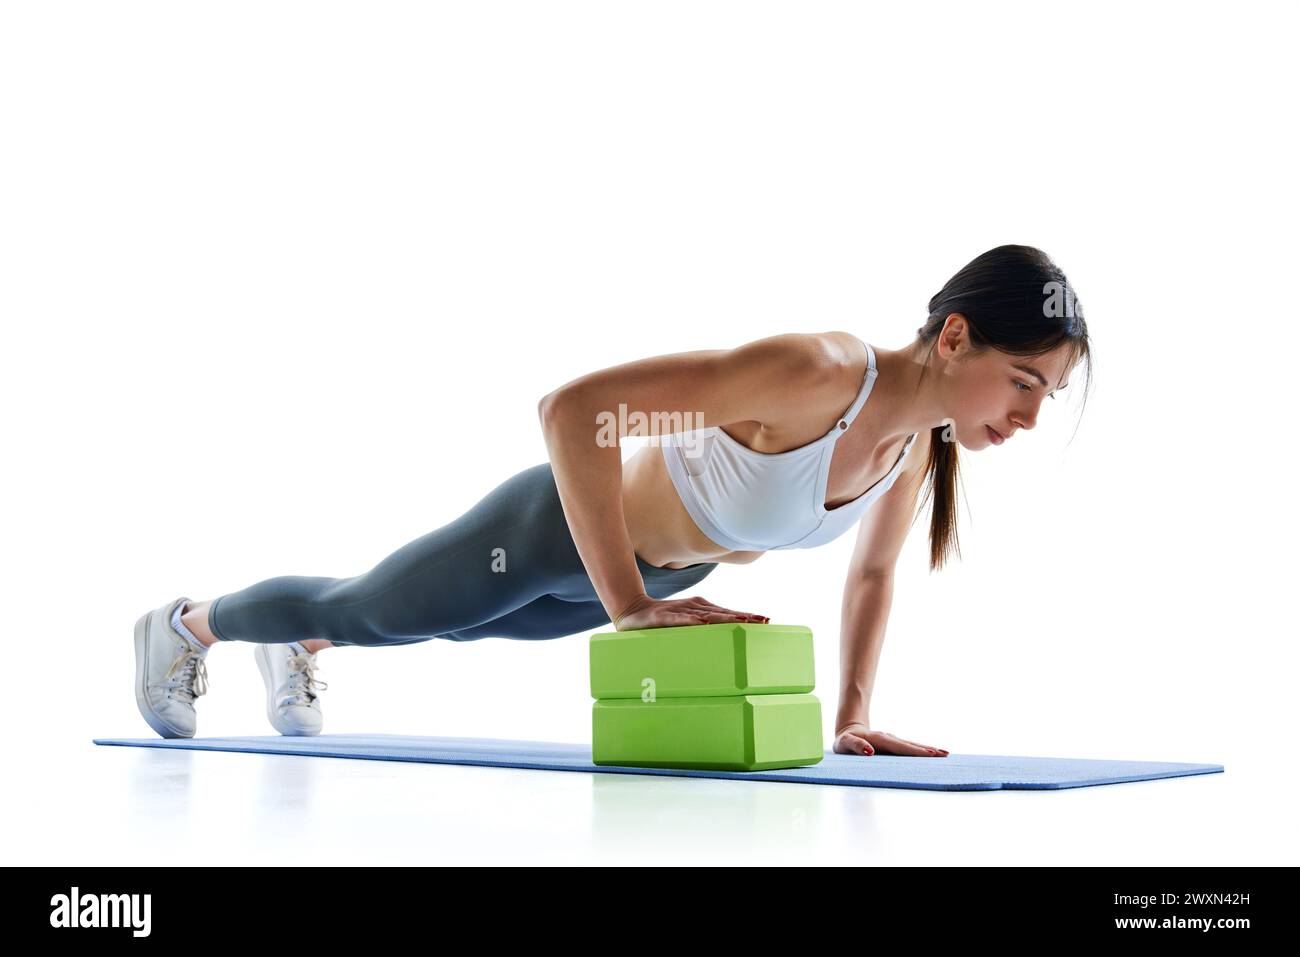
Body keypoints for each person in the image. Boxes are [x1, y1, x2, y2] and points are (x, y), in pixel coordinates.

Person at [133, 244, 1091, 757]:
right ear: (956, 337)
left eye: (1044, 396)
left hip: (660, 576)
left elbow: (875, 571)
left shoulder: (912, 446)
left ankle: (297, 645)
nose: (1030, 416)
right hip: (557, 532)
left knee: (442, 629)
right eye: (1023, 383)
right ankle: (188, 624)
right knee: (371, 609)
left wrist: (852, 714)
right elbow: (578, 411)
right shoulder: (816, 372)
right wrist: (630, 602)